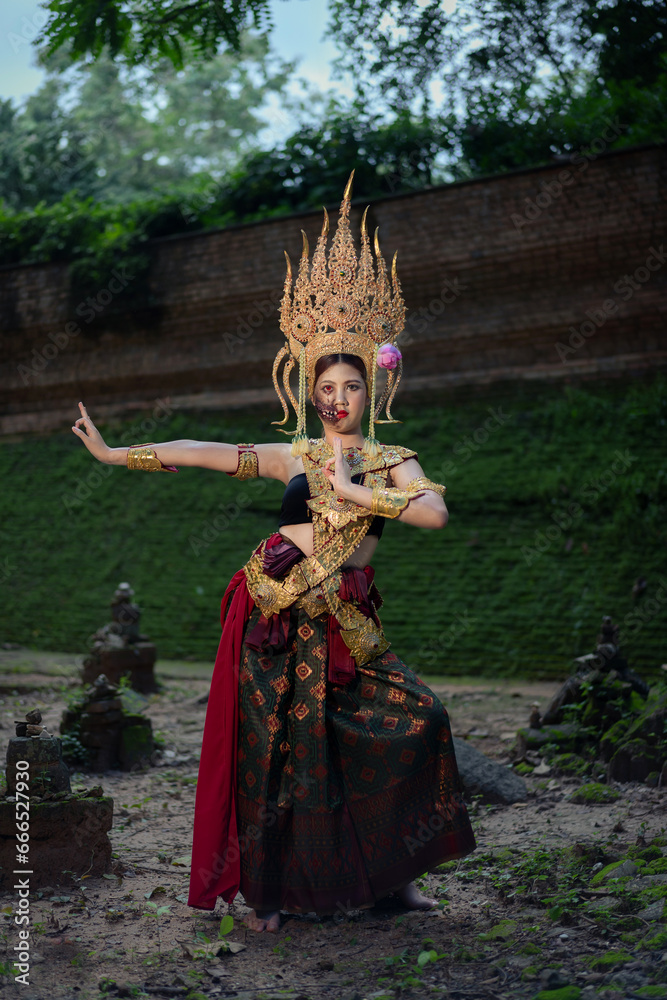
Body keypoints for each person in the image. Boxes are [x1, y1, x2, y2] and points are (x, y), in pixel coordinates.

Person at [72, 172, 476, 933]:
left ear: (372, 389)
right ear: (307, 389)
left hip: (347, 617)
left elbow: (434, 514)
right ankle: (273, 892)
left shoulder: (393, 458)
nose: (336, 399)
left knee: (418, 718)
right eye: (324, 386)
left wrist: (356, 490)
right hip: (273, 605)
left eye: (349, 385)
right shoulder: (292, 455)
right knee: (281, 751)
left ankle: (392, 877)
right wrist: (117, 454)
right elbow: (205, 451)